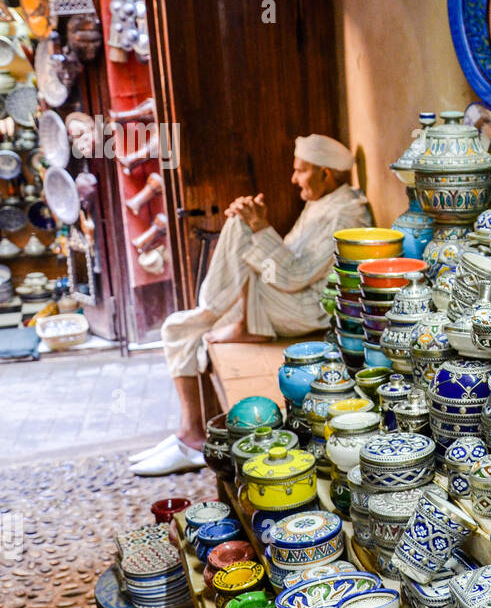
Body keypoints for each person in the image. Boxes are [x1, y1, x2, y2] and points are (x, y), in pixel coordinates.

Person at [131, 134, 368, 476]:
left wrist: (260, 226)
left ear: (325, 174)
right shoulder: (323, 203)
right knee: (239, 223)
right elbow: (287, 265)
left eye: (300, 171)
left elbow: (294, 276)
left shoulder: (343, 216)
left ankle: (192, 431)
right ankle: (190, 431)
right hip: (291, 296)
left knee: (185, 325)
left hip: (308, 309)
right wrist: (255, 226)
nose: (294, 179)